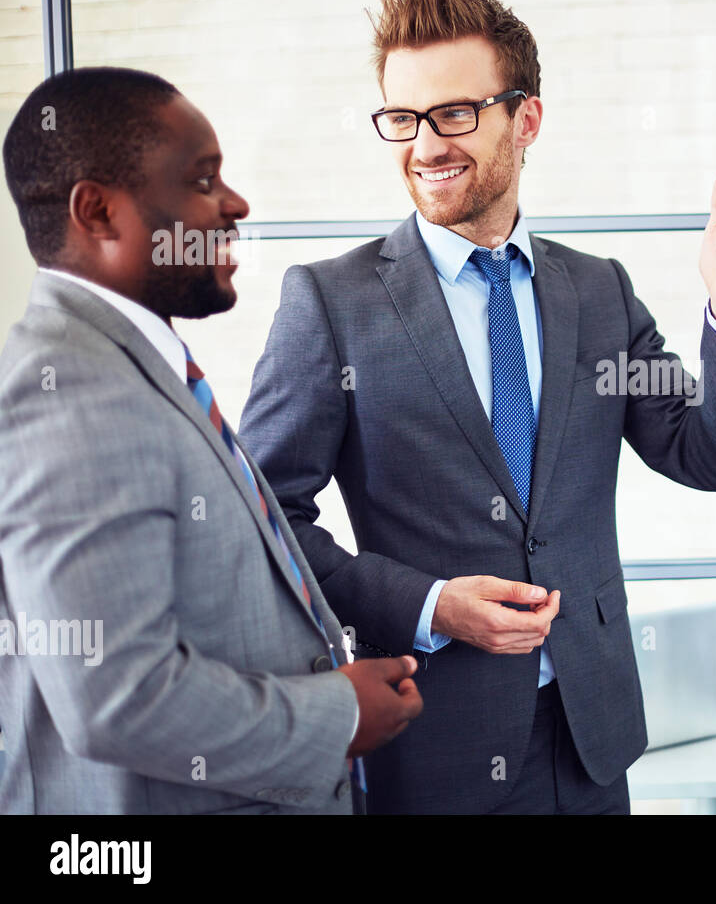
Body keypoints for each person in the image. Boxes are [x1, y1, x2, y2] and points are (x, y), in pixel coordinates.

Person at [239, 0, 716, 814]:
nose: (425, 145)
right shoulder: (330, 305)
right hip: (432, 743)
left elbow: (712, 456)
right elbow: (265, 524)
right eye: (402, 119)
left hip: (593, 737)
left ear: (525, 119)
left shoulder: (597, 291)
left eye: (455, 113)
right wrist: (428, 605)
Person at [0, 66, 423, 814]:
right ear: (97, 212)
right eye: (202, 181)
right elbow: (116, 697)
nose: (236, 204)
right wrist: (340, 714)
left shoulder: (129, 369)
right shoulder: (69, 399)